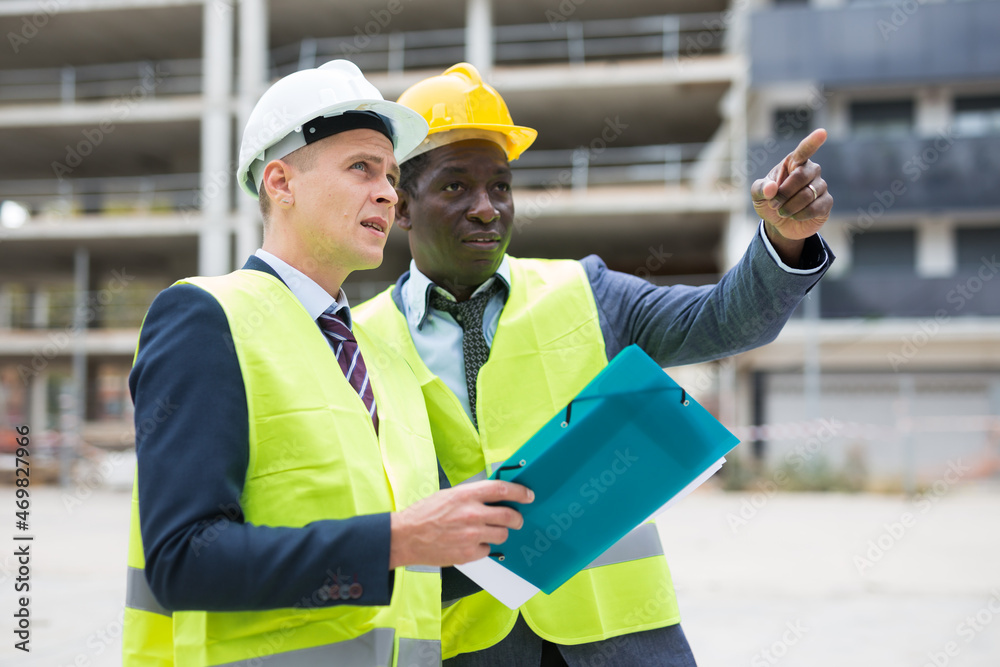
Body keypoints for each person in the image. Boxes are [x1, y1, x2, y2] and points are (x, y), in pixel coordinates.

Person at [354, 63, 835, 666]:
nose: (486, 209)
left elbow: (728, 320)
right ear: (401, 205)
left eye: (500, 186)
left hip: (622, 640)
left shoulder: (586, 290)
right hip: (466, 645)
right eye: (455, 187)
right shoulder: (356, 340)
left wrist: (783, 242)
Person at [122, 60, 533, 667]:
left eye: (393, 176)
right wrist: (399, 540)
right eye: (362, 168)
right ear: (281, 184)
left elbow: (409, 576)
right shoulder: (207, 318)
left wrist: (522, 539)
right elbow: (184, 561)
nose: (389, 193)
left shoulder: (386, 361)